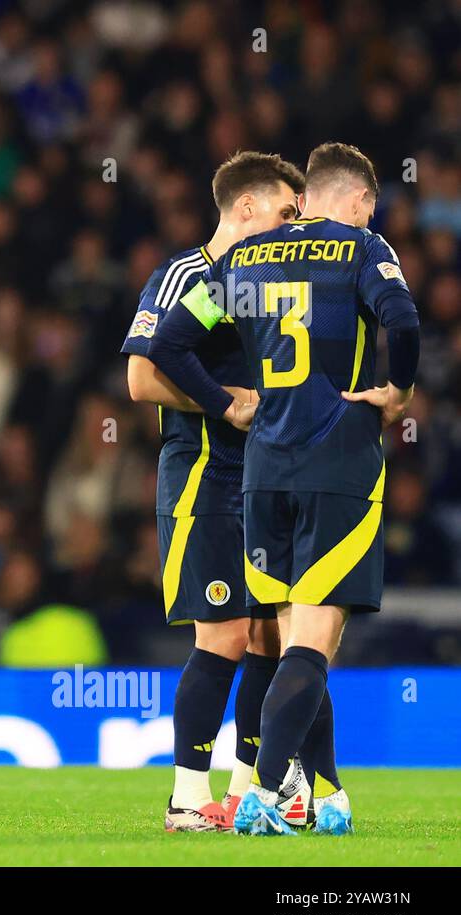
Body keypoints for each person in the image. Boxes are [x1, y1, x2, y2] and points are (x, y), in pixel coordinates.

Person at [148, 143, 419, 835]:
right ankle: (261, 794)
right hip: (330, 466)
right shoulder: (361, 248)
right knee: (309, 639)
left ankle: (324, 794)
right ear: (357, 201)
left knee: (288, 633)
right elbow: (404, 322)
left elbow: (172, 345)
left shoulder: (246, 262)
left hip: (263, 473)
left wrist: (231, 402)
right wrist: (398, 393)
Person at [124, 151, 310, 831]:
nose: (295, 227)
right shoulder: (187, 275)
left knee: (266, 636)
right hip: (204, 475)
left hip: (265, 479)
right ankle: (185, 795)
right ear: (247, 208)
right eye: (288, 213)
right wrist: (223, 399)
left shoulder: (273, 281)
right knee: (225, 634)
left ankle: (242, 792)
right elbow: (141, 381)